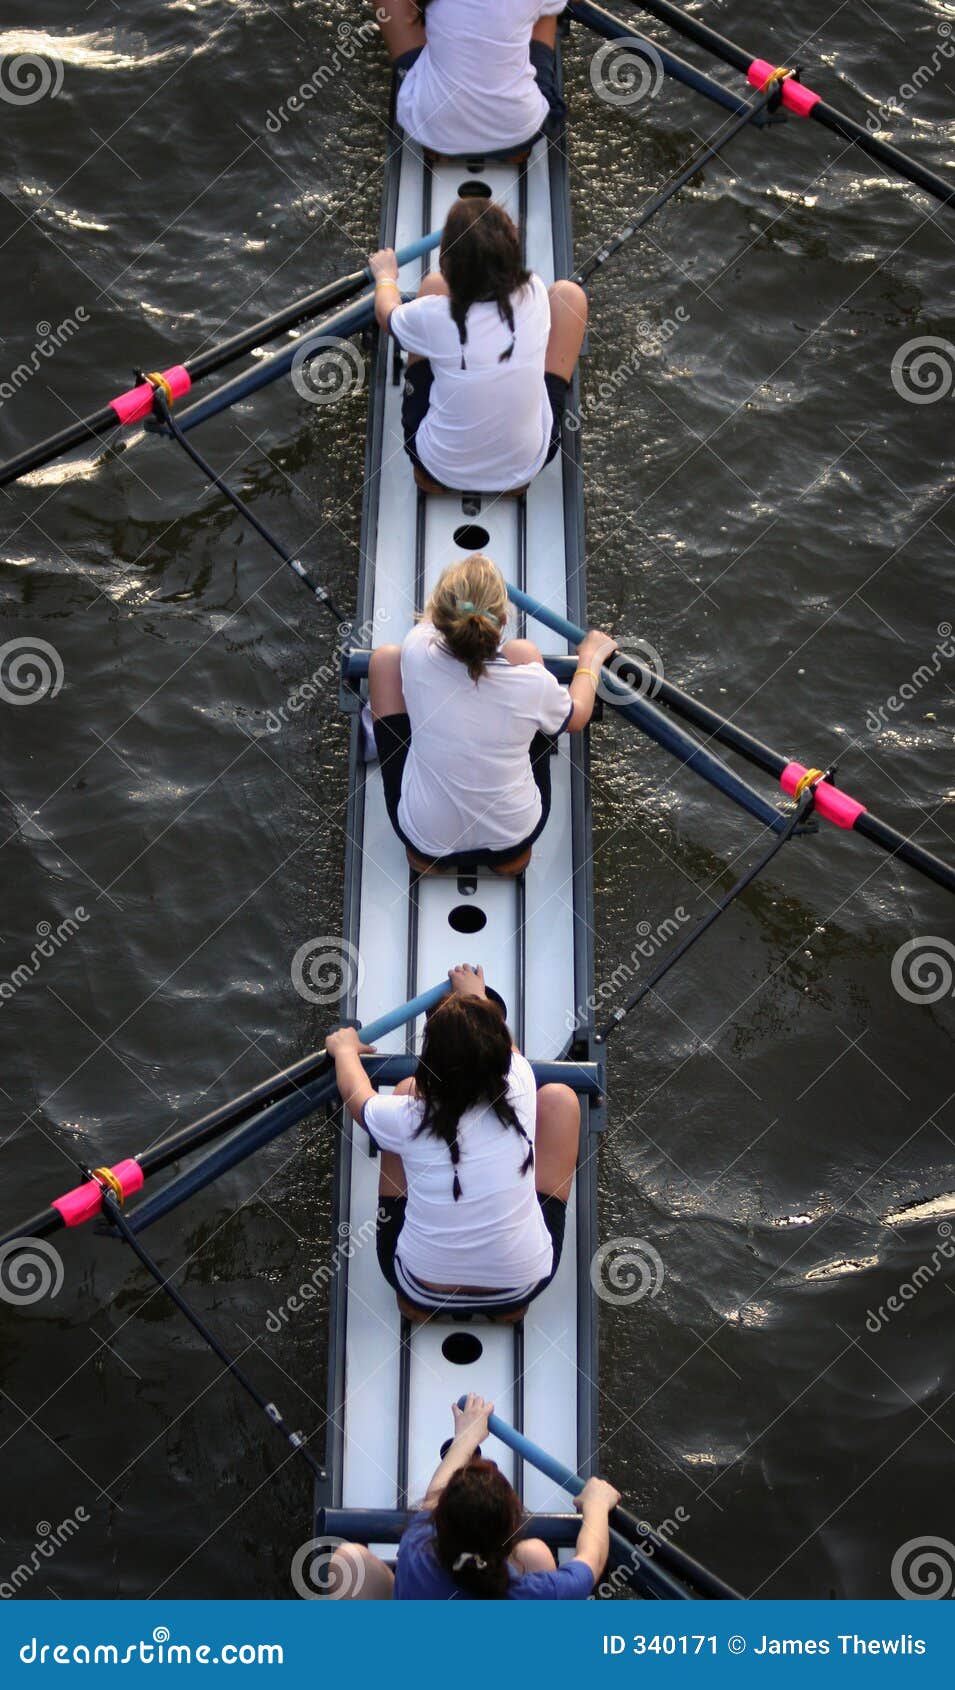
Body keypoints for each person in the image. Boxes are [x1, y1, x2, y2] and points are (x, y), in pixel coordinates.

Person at [326, 962, 581, 1320]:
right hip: (520, 1285)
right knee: (561, 1099)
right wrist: (473, 993)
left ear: (430, 1062)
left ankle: (413, 1308)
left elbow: (358, 1095)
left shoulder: (408, 1115)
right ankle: (509, 1310)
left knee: (404, 1091)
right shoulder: (521, 1079)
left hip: (422, 1285)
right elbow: (502, 1045)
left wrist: (346, 1051)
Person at [368, 553, 616, 874]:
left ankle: (425, 863)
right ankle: (510, 865)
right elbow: (579, 715)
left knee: (385, 659)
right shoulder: (532, 684)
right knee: (525, 651)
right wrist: (591, 658)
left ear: (442, 616)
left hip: (427, 843)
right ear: (502, 621)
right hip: (512, 840)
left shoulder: (416, 649)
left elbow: (431, 618)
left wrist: (464, 579)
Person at [370, 194, 587, 493]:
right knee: (569, 295)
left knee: (431, 286)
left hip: (437, 467)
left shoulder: (433, 315)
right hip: (524, 468)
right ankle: (513, 484)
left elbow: (386, 313)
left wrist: (385, 276)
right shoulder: (534, 290)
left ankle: (429, 480)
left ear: (447, 265)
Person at [328, 1393, 622, 1599]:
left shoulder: (417, 1541)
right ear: (508, 1536)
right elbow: (592, 1560)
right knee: (537, 1553)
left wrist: (466, 1438)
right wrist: (595, 1503)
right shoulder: (539, 1595)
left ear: (440, 1521)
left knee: (349, 1560)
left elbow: (432, 1498)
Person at [375, 2, 568, 161]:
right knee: (547, 13)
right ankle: (518, 153)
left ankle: (436, 149)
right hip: (521, 132)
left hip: (433, 128)